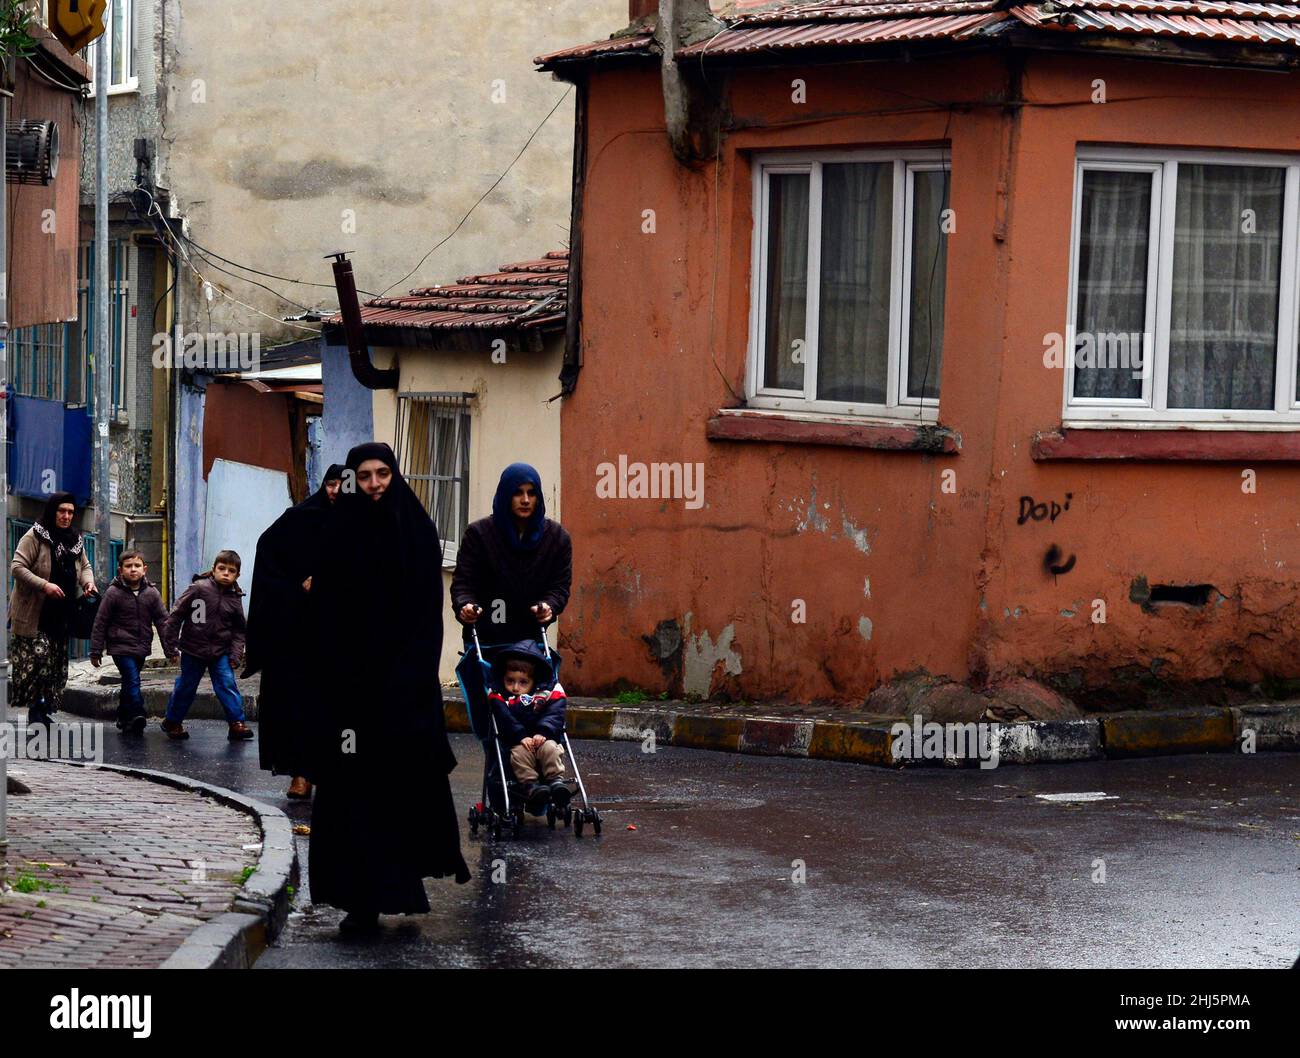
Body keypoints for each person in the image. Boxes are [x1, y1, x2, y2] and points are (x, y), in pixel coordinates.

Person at [307, 441, 470, 936]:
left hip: (401, 690)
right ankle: (360, 900)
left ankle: (398, 888)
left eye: (382, 474)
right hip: (351, 693)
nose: (374, 484)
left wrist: (411, 677)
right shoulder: (339, 531)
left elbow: (426, 615)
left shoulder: (415, 528)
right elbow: (326, 613)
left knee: (399, 791)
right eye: (365, 475)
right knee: (353, 794)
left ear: (394, 475)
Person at [244, 464, 344, 799]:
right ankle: (301, 773)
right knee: (299, 702)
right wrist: (297, 584)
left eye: (341, 485)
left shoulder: (361, 526)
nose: (334, 491)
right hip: (298, 631)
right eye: (330, 484)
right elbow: (269, 559)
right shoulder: (299, 519)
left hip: (341, 633)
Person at [451, 463, 572, 647]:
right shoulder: (478, 534)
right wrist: (465, 605)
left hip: (531, 643)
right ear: (506, 495)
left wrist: (549, 605)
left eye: (531, 493)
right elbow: (463, 582)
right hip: (485, 640)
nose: (525, 500)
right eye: (517, 493)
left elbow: (560, 586)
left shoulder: (557, 538)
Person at [9, 492, 97, 725]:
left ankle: (45, 706)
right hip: (35, 613)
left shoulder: (74, 541)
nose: (66, 516)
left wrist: (88, 583)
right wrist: (44, 585)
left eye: (70, 512)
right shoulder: (35, 536)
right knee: (39, 660)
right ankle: (35, 708)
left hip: (62, 613)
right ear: (52, 512)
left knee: (56, 665)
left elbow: (85, 566)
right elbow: (17, 567)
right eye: (62, 511)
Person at [160, 550, 252, 742]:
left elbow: (238, 630)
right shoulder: (198, 589)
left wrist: (235, 655)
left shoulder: (235, 597)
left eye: (231, 571)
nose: (226, 573)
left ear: (237, 575)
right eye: (222, 568)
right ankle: (173, 721)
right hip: (193, 649)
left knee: (227, 684)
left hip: (220, 652)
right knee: (186, 686)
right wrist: (171, 646)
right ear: (213, 569)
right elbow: (176, 615)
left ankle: (236, 723)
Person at [89, 551, 176, 735]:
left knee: (129, 682)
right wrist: (95, 650)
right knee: (132, 679)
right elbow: (101, 621)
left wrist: (170, 650)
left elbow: (163, 621)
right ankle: (138, 713)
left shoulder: (151, 593)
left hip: (141, 647)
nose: (133, 570)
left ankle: (124, 716)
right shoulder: (113, 593)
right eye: (128, 566)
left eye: (137, 566)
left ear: (144, 569)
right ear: (121, 570)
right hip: (120, 647)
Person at [489, 639, 569, 813]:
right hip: (519, 741)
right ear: (503, 677)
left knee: (551, 749)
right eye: (510, 681)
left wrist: (543, 731)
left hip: (544, 738)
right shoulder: (500, 697)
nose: (515, 687)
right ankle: (531, 786)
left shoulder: (547, 693)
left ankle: (556, 782)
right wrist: (520, 735)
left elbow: (555, 713)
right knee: (518, 755)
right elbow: (504, 719)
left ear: (534, 681)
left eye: (523, 682)